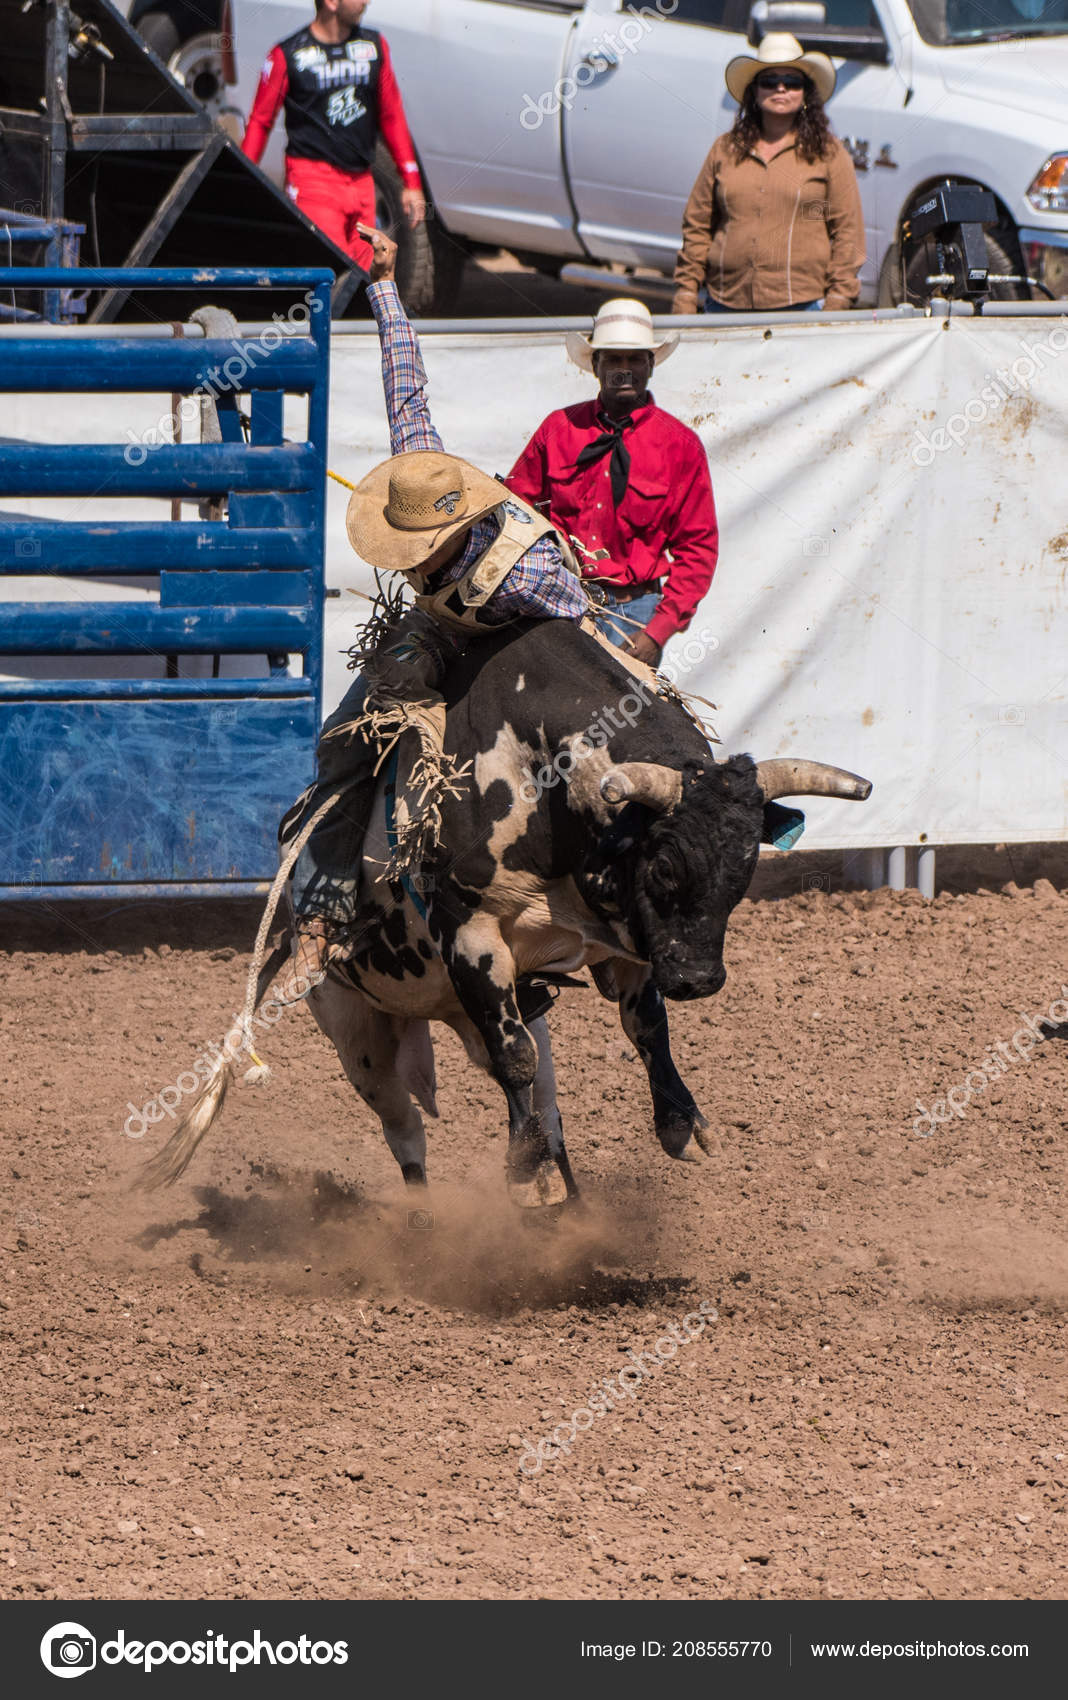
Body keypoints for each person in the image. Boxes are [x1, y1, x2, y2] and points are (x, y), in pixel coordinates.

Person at [286, 223, 589, 983]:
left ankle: (576, 905)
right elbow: (405, 384)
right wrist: (384, 282)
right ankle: (323, 910)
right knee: (343, 741)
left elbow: (575, 630)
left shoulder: (530, 570)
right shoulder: (428, 474)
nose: (411, 557)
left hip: (527, 650)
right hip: (440, 633)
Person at [506, 299, 718, 669]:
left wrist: (657, 631)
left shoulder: (680, 445)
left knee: (623, 722)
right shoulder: (558, 430)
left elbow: (698, 549)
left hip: (635, 615)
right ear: (594, 365)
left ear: (650, 366)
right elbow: (514, 513)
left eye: (635, 359)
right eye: (613, 359)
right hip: (557, 604)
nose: (624, 370)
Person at [672, 32, 864, 316]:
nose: (781, 89)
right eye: (769, 81)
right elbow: (698, 224)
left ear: (806, 93)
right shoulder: (724, 149)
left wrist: (837, 301)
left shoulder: (830, 154)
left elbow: (848, 233)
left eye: (793, 82)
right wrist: (686, 293)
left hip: (802, 308)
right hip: (725, 304)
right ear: (754, 91)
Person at [241, 0, 425, 273]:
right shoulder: (287, 53)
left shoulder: (375, 46)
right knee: (331, 272)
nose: (366, 1)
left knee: (365, 279)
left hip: (362, 182)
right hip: (313, 181)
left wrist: (411, 181)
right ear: (330, 2)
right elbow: (260, 121)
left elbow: (392, 115)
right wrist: (246, 178)